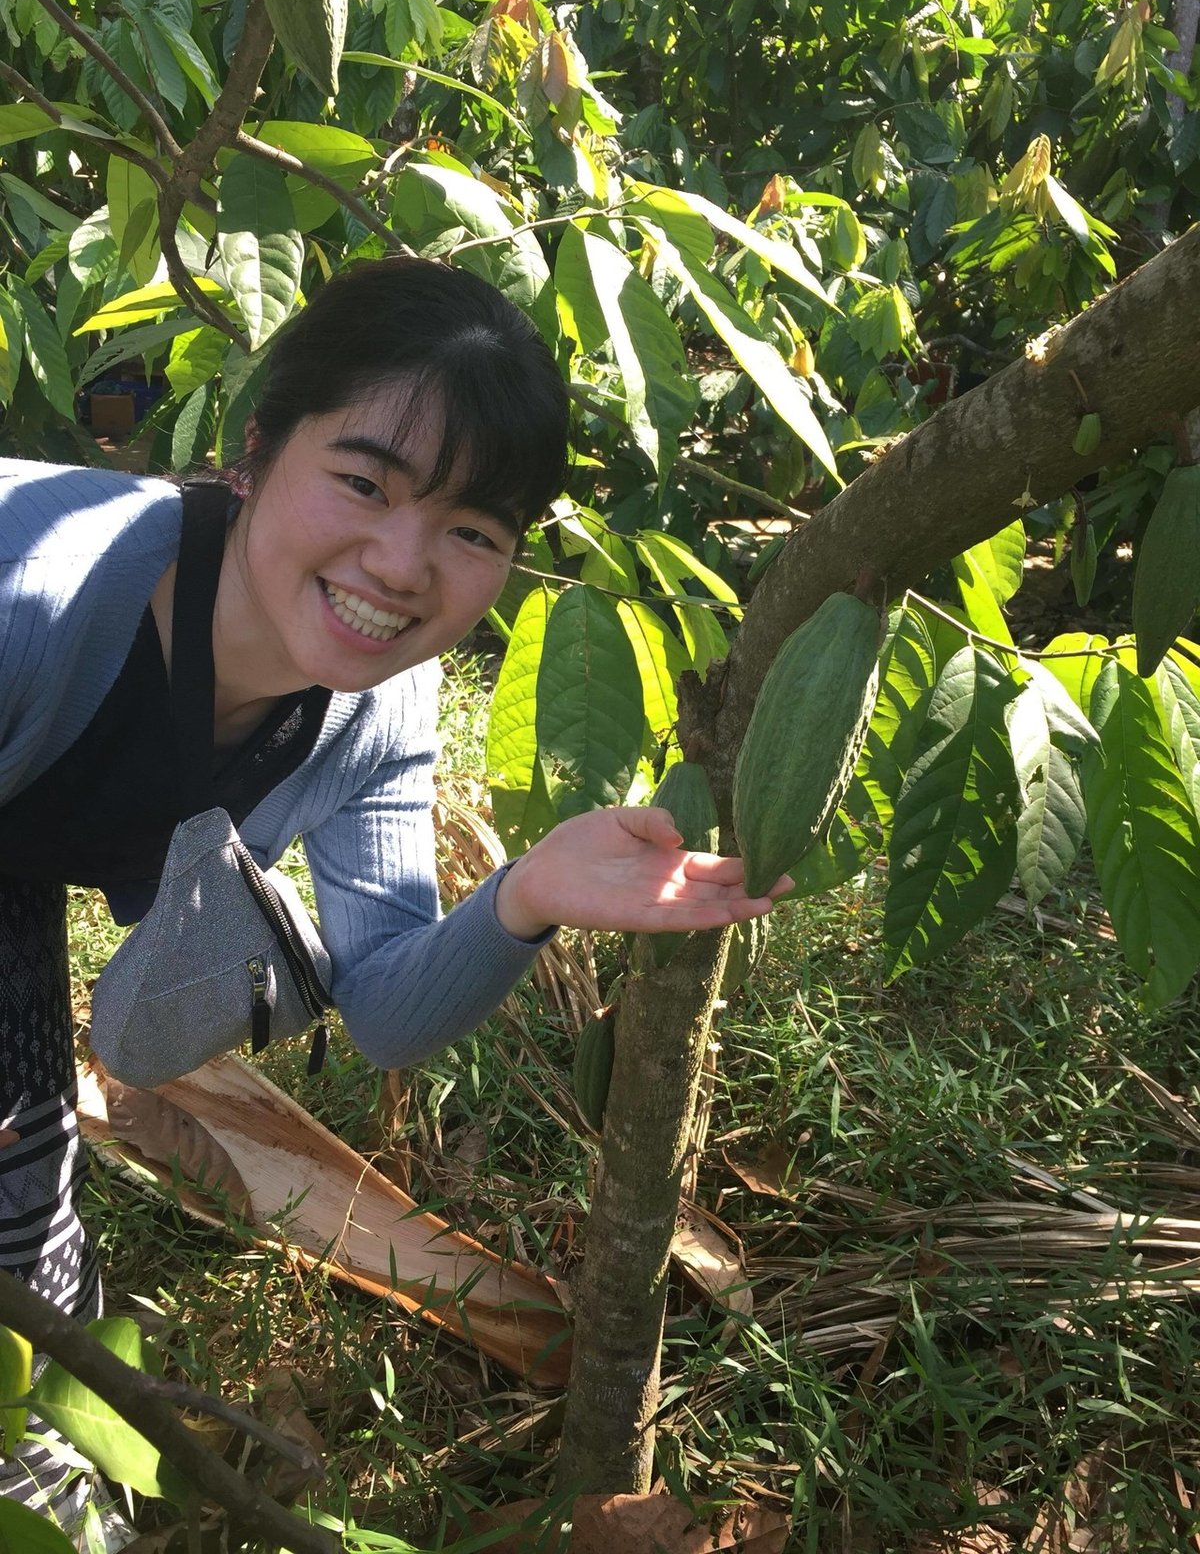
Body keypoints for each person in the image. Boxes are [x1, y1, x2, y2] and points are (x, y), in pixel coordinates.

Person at [0, 256, 787, 1526]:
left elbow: (382, 1011)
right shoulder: (35, 593)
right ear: (255, 453)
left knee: (19, 1213)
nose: (405, 561)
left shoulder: (376, 710)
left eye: (472, 530)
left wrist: (526, 894)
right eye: (363, 482)